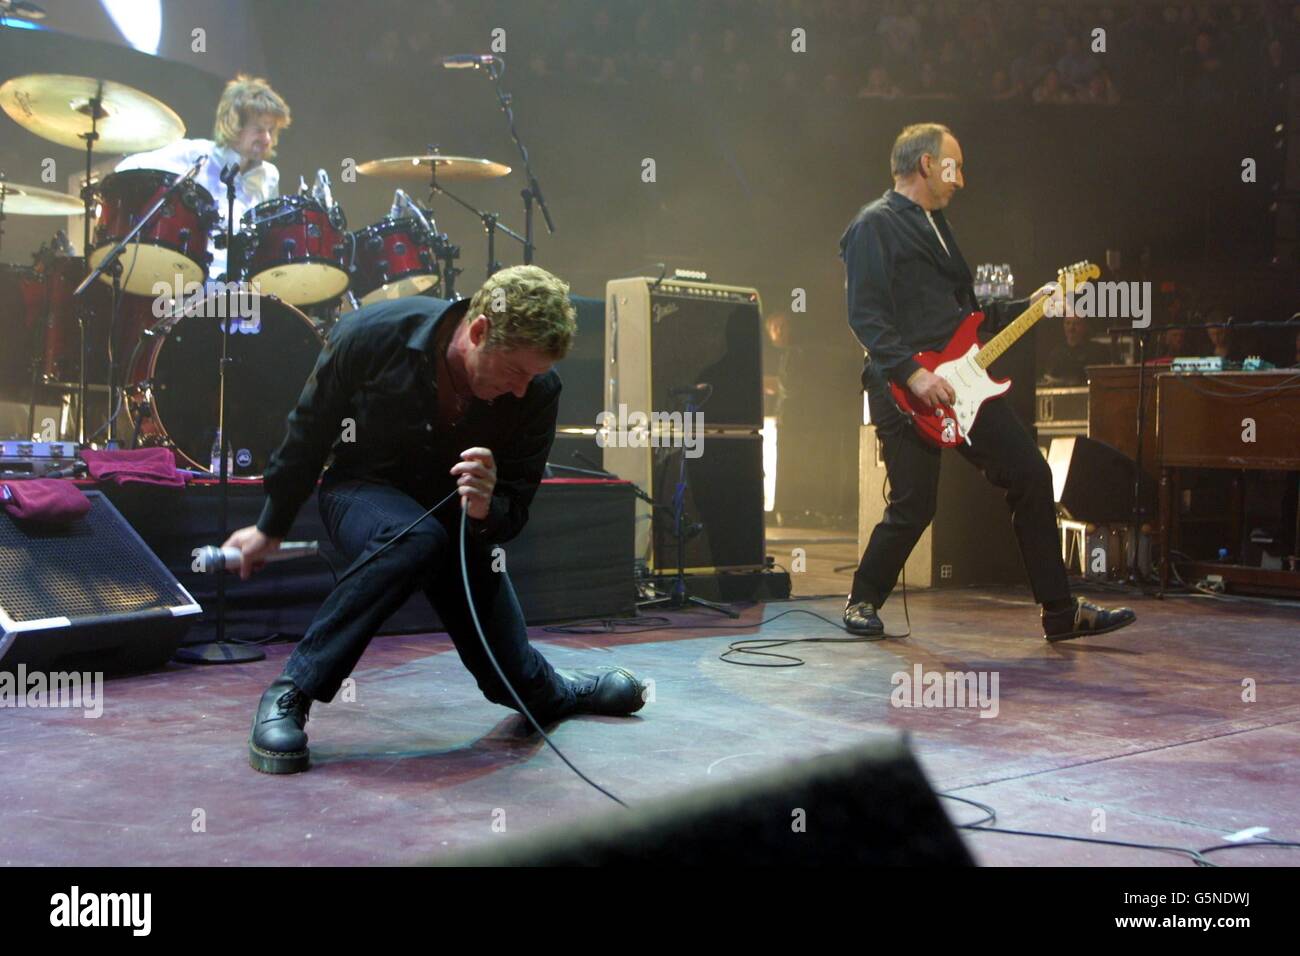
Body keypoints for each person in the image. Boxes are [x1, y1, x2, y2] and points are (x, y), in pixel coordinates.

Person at [222, 265, 647, 774]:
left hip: (457, 517)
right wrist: (271, 526)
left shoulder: (538, 392)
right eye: (515, 372)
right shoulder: (372, 335)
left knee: (506, 678)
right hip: (362, 491)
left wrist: (490, 506)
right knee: (414, 538)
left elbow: (516, 508)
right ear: (480, 331)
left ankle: (552, 693)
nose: (520, 390)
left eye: (532, 377)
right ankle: (292, 691)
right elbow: (307, 434)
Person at [840, 122, 1136, 643]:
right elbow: (866, 317)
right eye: (954, 166)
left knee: (1031, 474)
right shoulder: (874, 225)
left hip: (964, 382)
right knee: (914, 504)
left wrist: (1035, 303)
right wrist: (914, 372)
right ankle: (862, 598)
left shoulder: (939, 228)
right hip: (902, 386)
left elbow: (971, 315)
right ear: (927, 163)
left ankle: (1060, 612)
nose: (961, 180)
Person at [115, 73, 290, 282]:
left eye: (271, 130)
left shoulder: (269, 176)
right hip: (192, 282)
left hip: (246, 288)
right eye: (259, 130)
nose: (267, 138)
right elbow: (127, 168)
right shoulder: (194, 155)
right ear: (234, 125)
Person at [1040, 314, 1111, 385]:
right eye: (1068, 323)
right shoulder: (1056, 354)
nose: (1071, 328)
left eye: (1076, 324)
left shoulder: (1098, 351)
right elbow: (1048, 379)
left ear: (1084, 326)